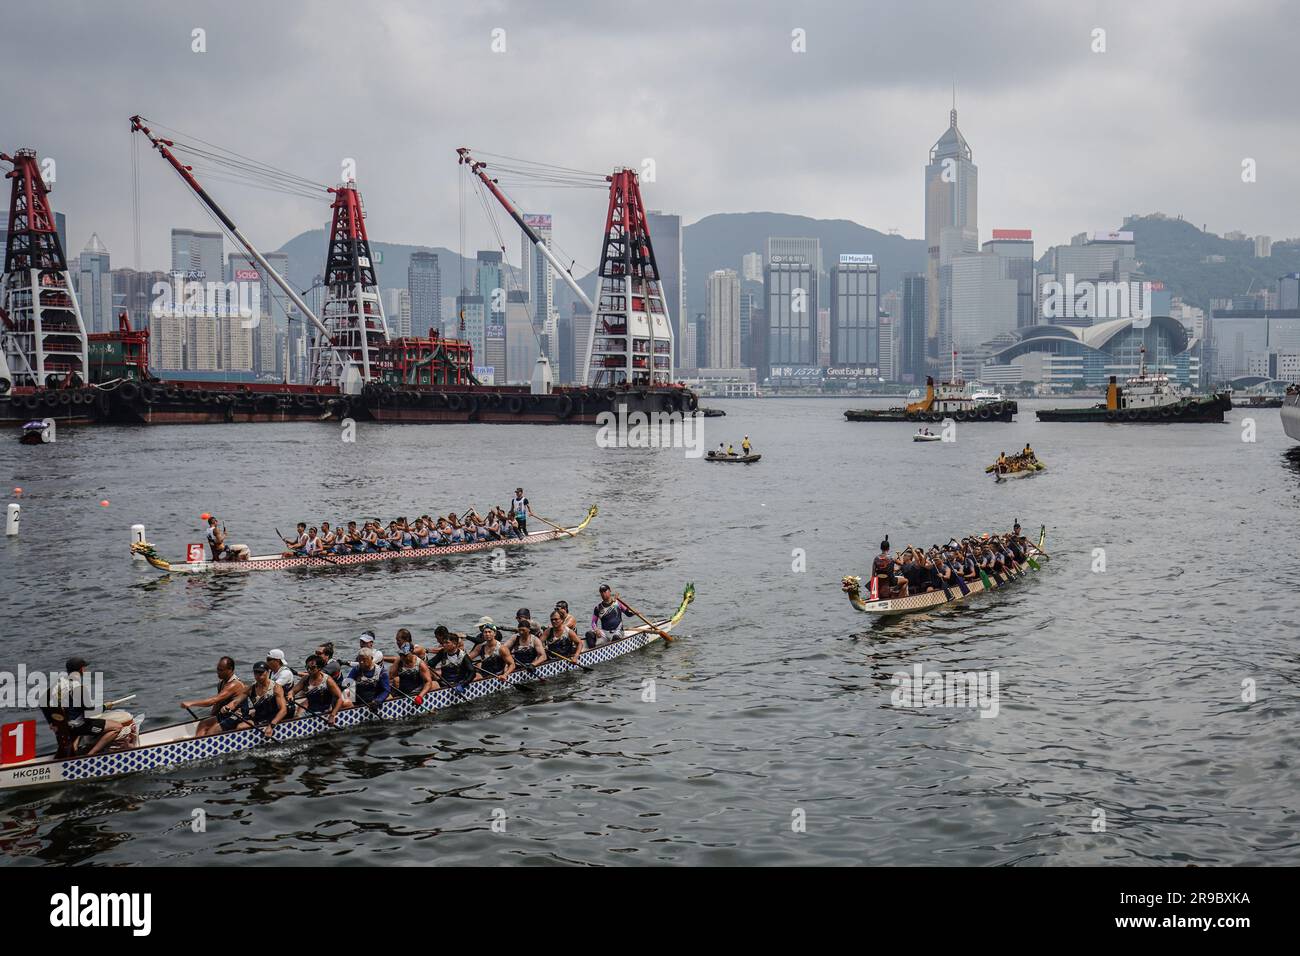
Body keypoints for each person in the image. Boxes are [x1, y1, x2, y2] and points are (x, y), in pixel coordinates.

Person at [45, 657, 129, 757]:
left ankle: (75, 750)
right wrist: (105, 706)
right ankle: (90, 756)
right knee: (117, 727)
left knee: (80, 723)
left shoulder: (59, 684)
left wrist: (51, 721)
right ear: (81, 670)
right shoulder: (79, 688)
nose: (85, 671)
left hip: (64, 725)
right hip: (77, 726)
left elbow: (43, 702)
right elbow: (90, 712)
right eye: (84, 668)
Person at [182, 656, 247, 737]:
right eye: (217, 669)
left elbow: (212, 701)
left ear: (230, 670)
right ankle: (197, 743)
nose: (218, 672)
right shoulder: (221, 683)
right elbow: (217, 703)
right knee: (202, 724)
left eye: (221, 670)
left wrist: (191, 703)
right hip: (226, 714)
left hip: (238, 716)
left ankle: (203, 744)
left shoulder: (234, 684)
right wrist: (210, 718)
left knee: (211, 732)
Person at [219, 662, 287, 737]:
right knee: (237, 724)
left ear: (268, 672)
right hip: (259, 718)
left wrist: (271, 726)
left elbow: (283, 710)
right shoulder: (251, 689)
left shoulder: (276, 688)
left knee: (240, 727)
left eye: (261, 672)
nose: (258, 675)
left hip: (273, 719)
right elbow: (235, 702)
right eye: (256, 673)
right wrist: (227, 707)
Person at [292, 655, 343, 725]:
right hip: (310, 711)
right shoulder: (305, 679)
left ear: (319, 668)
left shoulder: (328, 680)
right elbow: (293, 691)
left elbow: (340, 698)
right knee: (295, 716)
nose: (309, 670)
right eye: (307, 667)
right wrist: (290, 695)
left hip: (325, 712)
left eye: (312, 668)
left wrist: (332, 716)